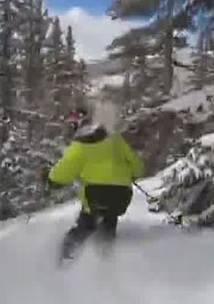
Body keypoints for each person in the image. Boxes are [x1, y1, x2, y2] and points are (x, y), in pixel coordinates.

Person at [42, 106, 144, 260]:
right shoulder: (114, 139)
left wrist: (50, 179)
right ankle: (106, 262)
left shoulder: (80, 146)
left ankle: (64, 264)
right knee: (108, 221)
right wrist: (132, 174)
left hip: (96, 193)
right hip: (122, 194)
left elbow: (63, 171)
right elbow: (136, 164)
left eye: (73, 125)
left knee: (85, 226)